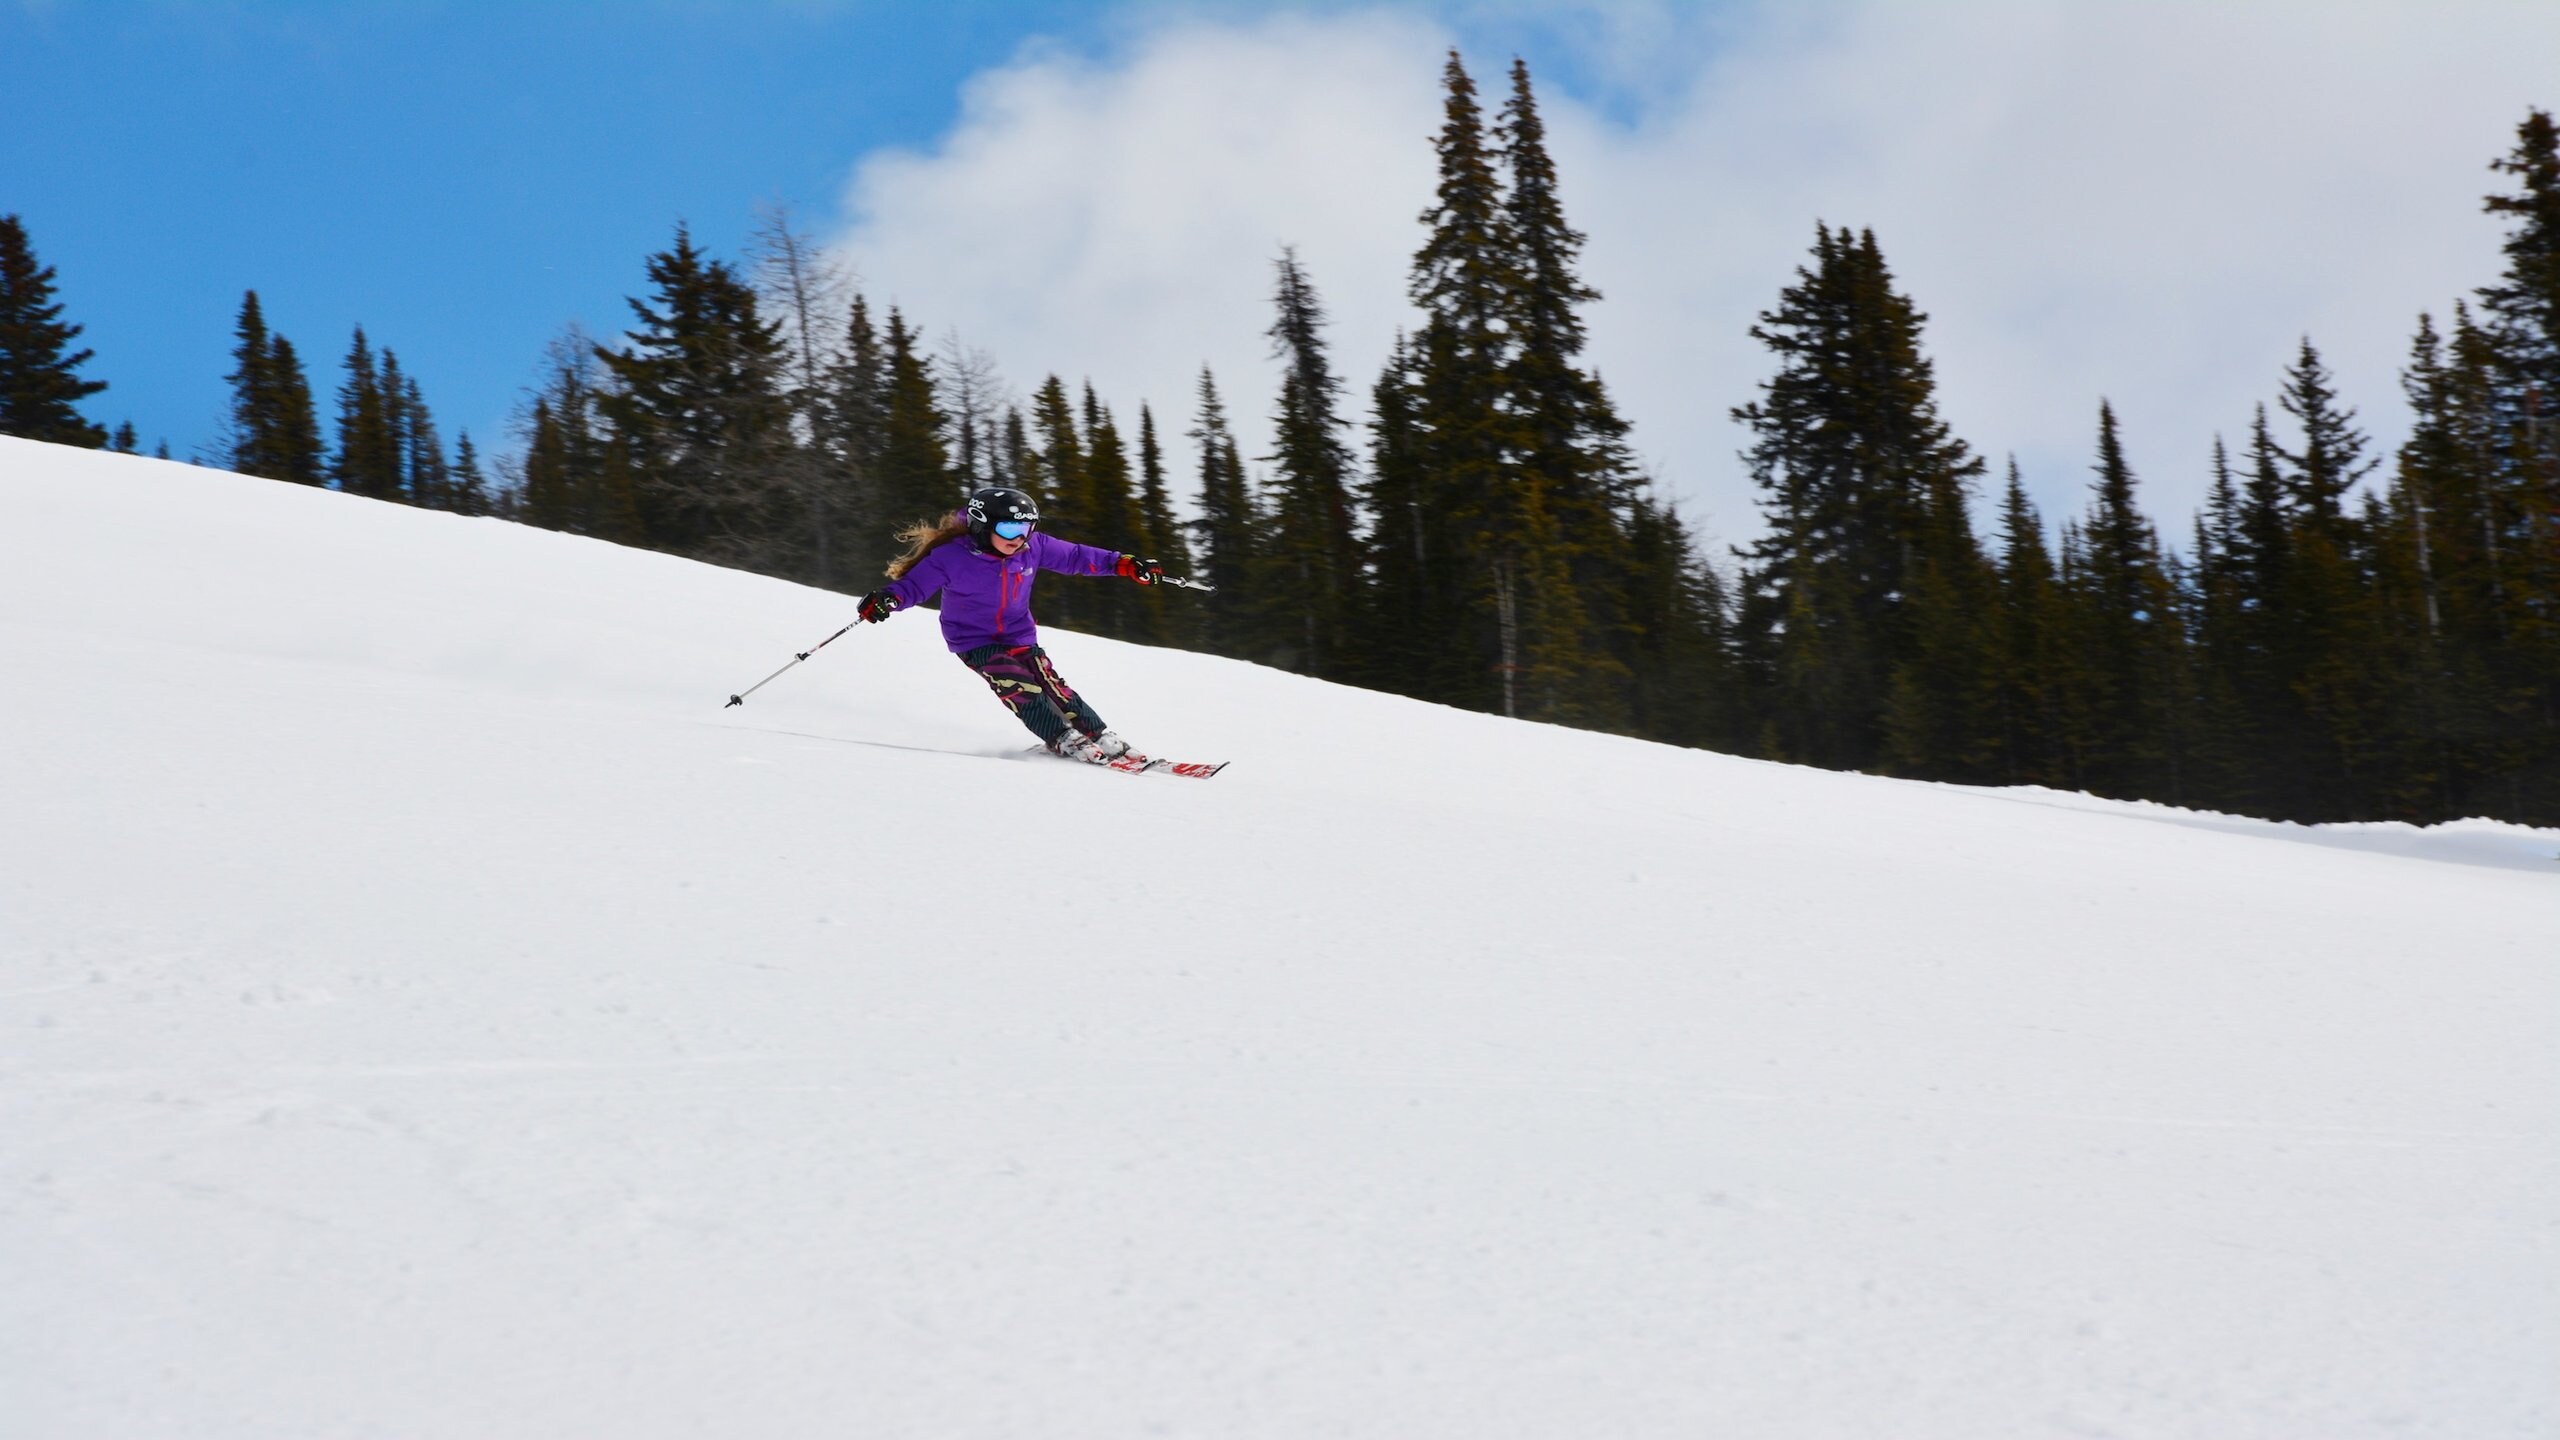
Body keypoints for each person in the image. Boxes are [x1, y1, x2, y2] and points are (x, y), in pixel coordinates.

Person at [857, 486, 1165, 763]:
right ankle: (1061, 737)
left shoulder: (1033, 547)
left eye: (1027, 529)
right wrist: (887, 600)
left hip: (1019, 634)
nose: (1019, 539)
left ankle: (1099, 735)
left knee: (1052, 685)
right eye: (1008, 528)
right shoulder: (950, 556)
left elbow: (1076, 556)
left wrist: (1125, 564)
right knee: (1019, 685)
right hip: (974, 640)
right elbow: (913, 587)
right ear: (982, 525)